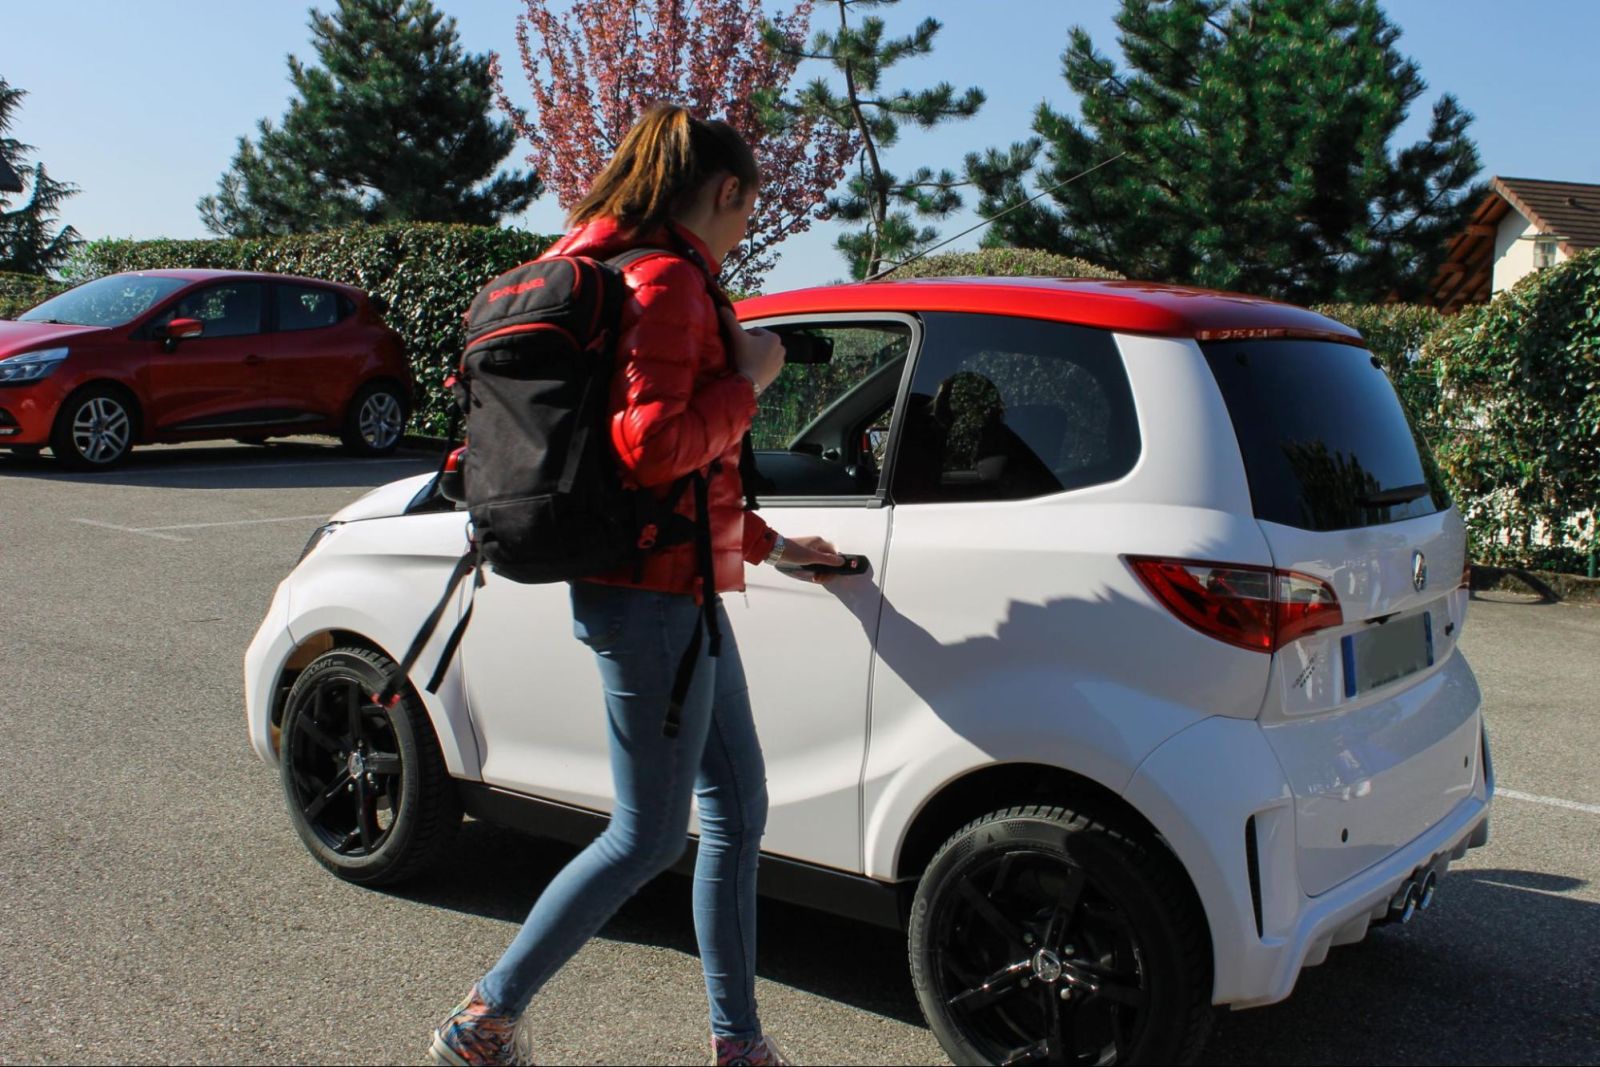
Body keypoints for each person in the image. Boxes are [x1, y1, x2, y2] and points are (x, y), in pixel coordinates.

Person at [427, 104, 843, 1067]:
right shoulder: (668, 284)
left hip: (675, 594)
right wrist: (754, 383)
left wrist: (775, 547)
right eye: (748, 213)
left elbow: (682, 484)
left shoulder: (625, 272)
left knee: (736, 815)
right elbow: (652, 446)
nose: (744, 235)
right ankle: (483, 1021)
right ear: (727, 192)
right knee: (648, 835)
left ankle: (739, 1044)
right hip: (649, 604)